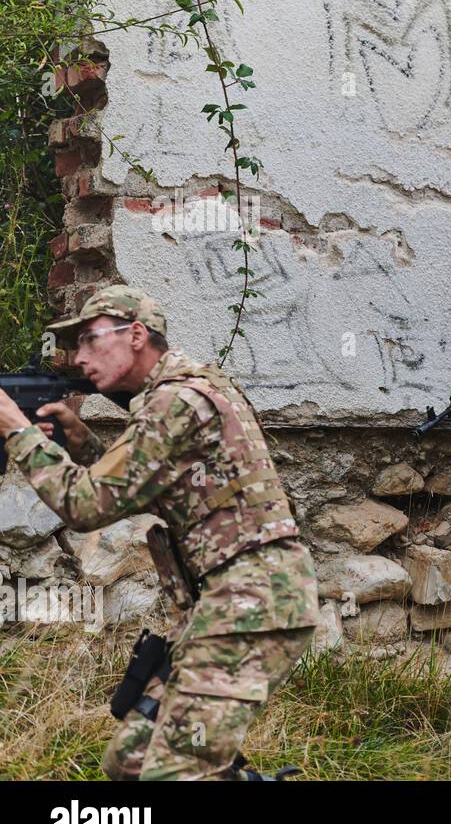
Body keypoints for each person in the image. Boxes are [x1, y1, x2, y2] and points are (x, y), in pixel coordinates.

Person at [0, 286, 318, 780]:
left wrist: (15, 430)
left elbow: (85, 507)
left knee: (171, 772)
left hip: (252, 605)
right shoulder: (186, 391)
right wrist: (82, 443)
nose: (78, 357)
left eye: (88, 339)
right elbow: (146, 485)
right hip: (225, 602)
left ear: (136, 335)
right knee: (130, 763)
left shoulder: (177, 403)